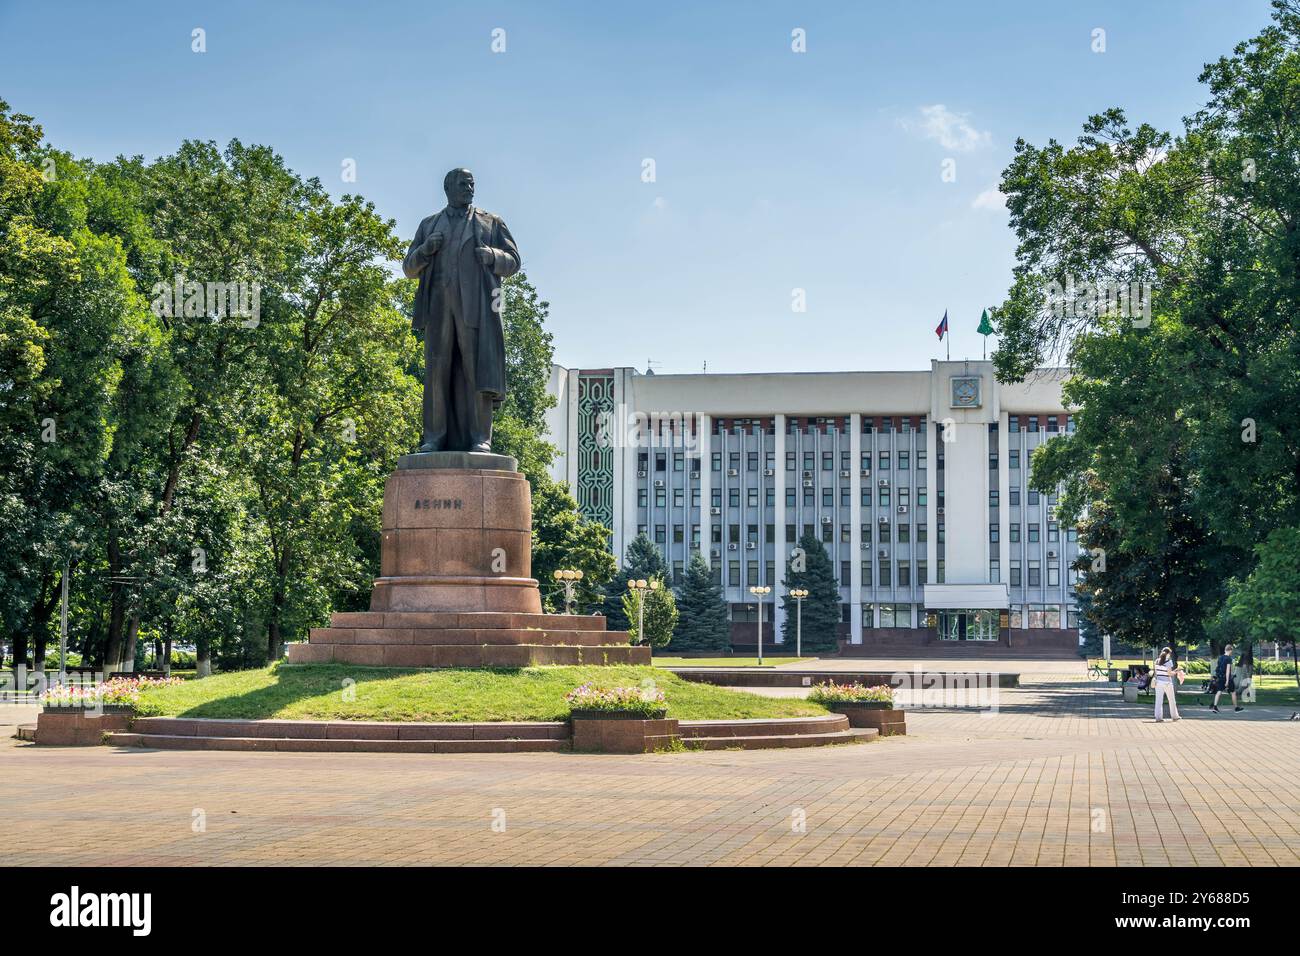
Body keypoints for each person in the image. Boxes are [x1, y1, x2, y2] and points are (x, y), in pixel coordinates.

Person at [1152, 647, 1183, 723]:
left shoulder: (1156, 661)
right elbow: (1169, 674)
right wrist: (1176, 671)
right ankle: (1175, 716)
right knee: (1171, 700)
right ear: (1168, 654)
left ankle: (1158, 717)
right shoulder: (1169, 662)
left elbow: (1156, 673)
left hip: (1158, 683)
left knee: (1158, 701)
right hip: (1167, 683)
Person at [1210, 643, 1243, 713]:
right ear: (1230, 650)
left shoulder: (1220, 657)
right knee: (1233, 692)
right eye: (1232, 651)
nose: (1232, 652)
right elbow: (1228, 671)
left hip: (1220, 677)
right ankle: (1236, 708)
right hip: (1227, 678)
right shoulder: (1228, 659)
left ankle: (1215, 707)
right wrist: (1227, 681)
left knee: (1219, 692)